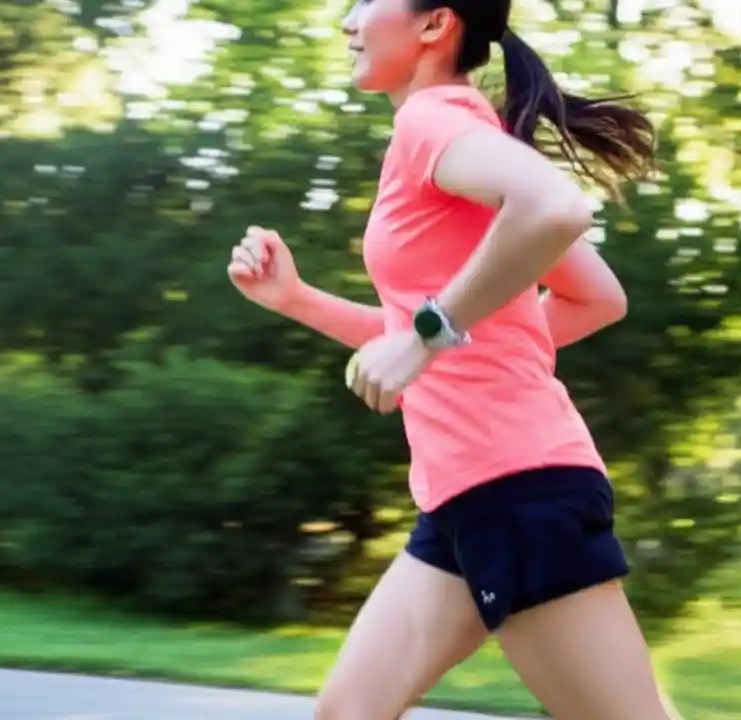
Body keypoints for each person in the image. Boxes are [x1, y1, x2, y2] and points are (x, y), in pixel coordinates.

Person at [226, 0, 675, 719]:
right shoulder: (462, 133)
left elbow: (555, 208)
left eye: (366, 1)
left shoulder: (432, 123)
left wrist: (429, 335)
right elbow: (594, 301)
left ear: (434, 26)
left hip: (517, 490)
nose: (347, 19)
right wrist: (298, 300)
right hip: (463, 498)